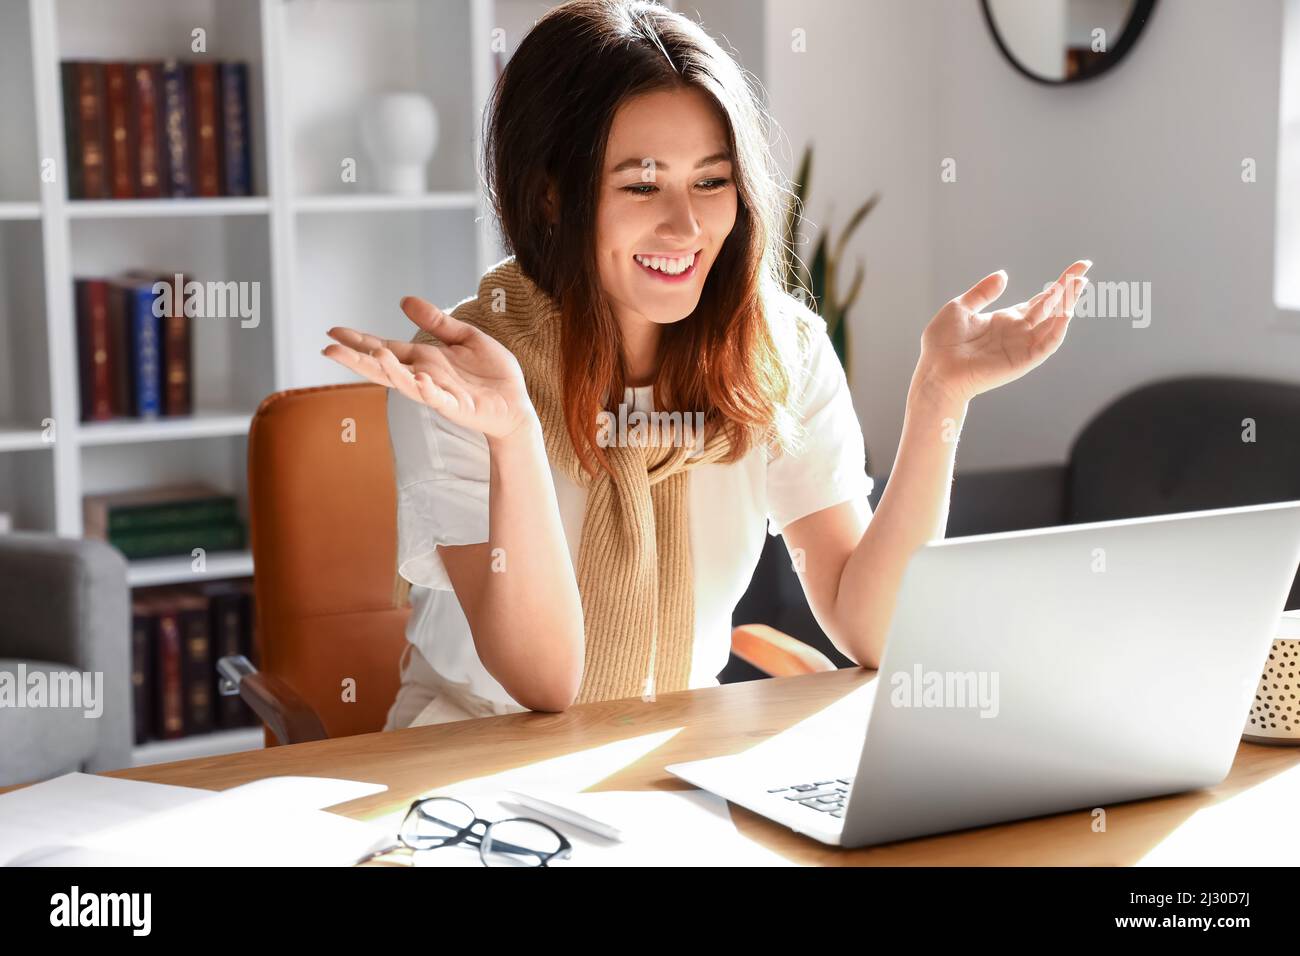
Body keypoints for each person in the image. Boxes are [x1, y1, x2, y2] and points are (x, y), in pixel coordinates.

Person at [321, 0, 1090, 730]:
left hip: (677, 756)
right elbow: (543, 683)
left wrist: (939, 398)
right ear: (552, 195)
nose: (686, 225)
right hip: (476, 764)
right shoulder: (466, 376)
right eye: (642, 184)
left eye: (712, 181)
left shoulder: (776, 352)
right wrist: (516, 433)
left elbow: (874, 630)